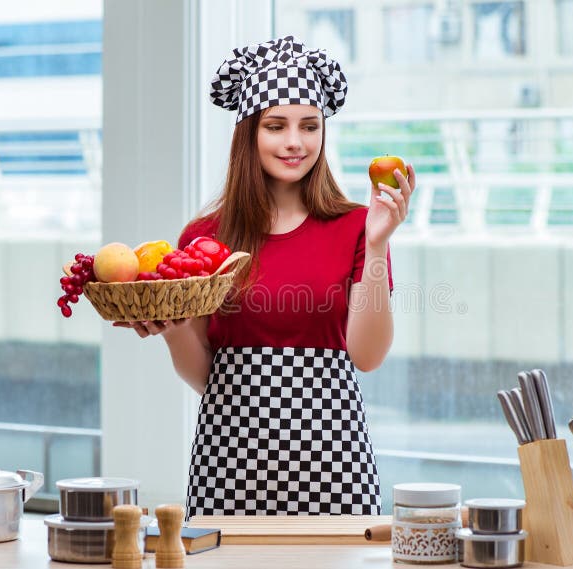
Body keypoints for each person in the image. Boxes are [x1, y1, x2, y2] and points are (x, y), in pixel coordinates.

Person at [116, 35, 415, 516]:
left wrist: (379, 243)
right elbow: (205, 376)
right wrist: (174, 333)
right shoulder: (203, 237)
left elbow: (368, 355)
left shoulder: (358, 226)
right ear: (249, 133)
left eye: (309, 126)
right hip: (228, 462)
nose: (295, 142)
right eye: (276, 126)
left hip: (336, 463)